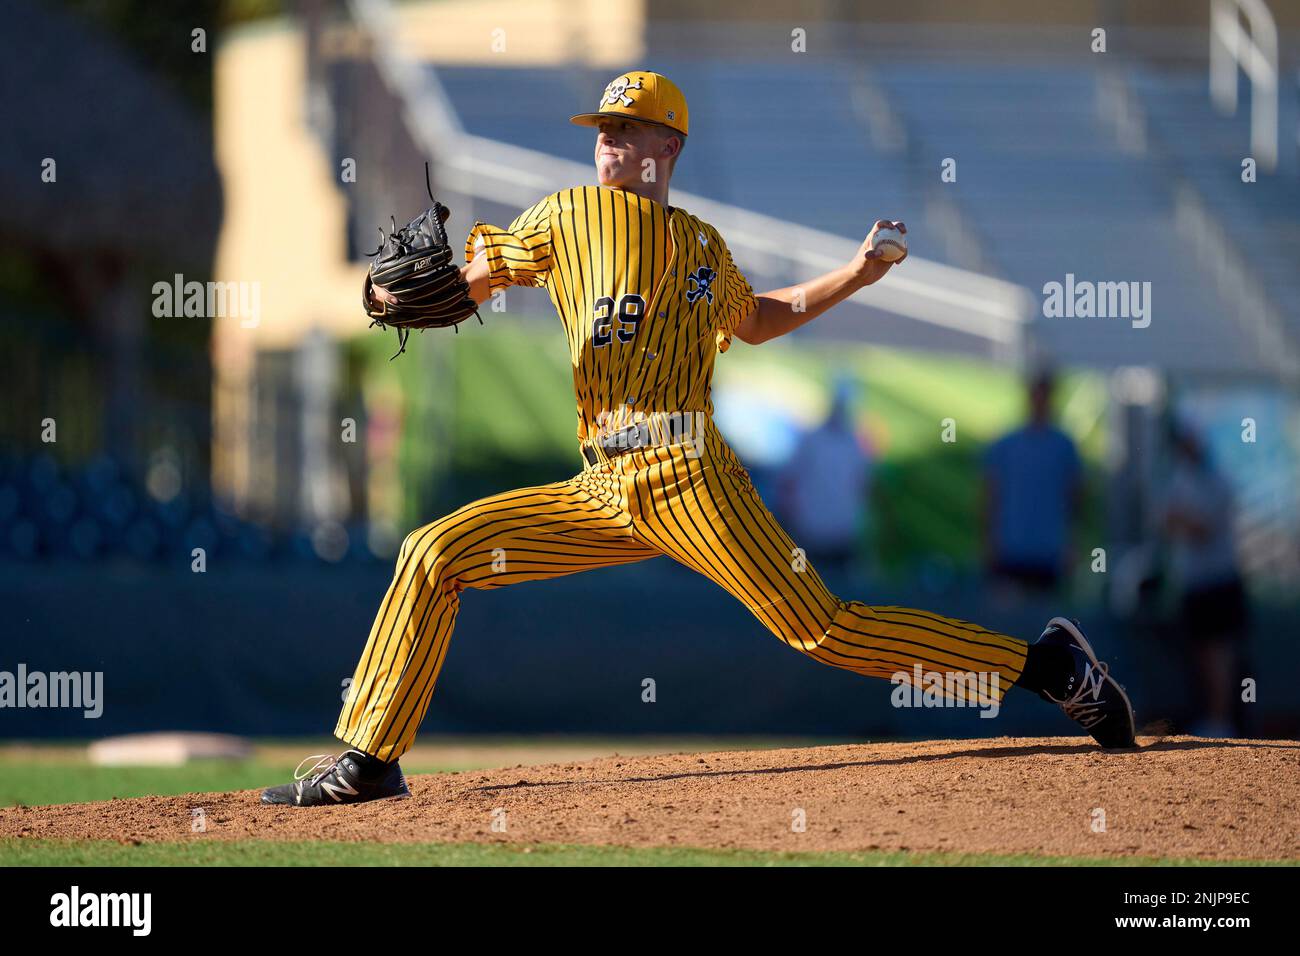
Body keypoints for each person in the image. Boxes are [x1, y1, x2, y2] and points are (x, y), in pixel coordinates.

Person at [262, 71, 1135, 807]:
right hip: (599, 484)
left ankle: (1050, 667)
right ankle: (369, 761)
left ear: (667, 147)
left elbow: (760, 317)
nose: (606, 143)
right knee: (432, 551)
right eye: (601, 130)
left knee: (825, 630)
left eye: (624, 130)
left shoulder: (703, 245)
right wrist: (383, 298)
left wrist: (859, 273)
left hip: (691, 472)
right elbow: (466, 282)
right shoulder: (565, 215)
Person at [1162, 419, 1247, 738]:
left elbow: (1202, 528)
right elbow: (1168, 523)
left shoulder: (1217, 480)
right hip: (1196, 584)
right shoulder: (1182, 478)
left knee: (1219, 655)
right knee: (1201, 654)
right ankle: (1212, 717)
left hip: (1219, 582)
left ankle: (1221, 719)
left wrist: (1180, 517)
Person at [982, 370, 1082, 594]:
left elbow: (1074, 499)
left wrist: (1071, 544)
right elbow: (991, 495)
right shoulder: (1006, 445)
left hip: (1048, 551)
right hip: (1011, 548)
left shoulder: (1064, 446)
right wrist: (990, 541)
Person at [777, 379, 871, 573]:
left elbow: (862, 486)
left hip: (836, 532)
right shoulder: (816, 440)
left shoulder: (851, 444)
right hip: (815, 530)